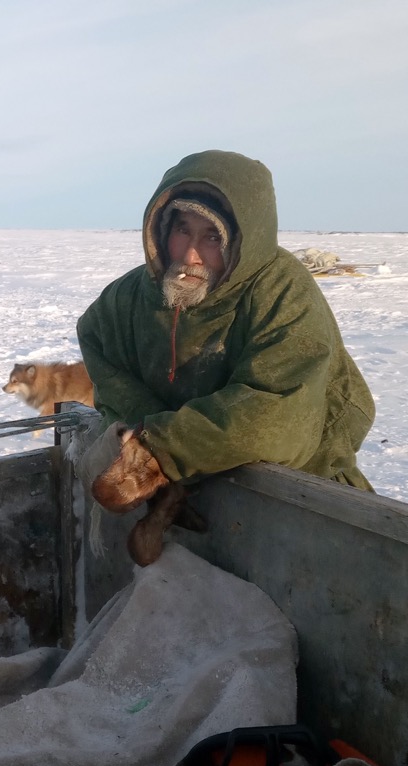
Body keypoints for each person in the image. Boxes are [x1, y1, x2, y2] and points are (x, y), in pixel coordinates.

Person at [77, 149, 375, 526]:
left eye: (212, 237)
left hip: (302, 498)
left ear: (242, 240)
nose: (190, 255)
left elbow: (277, 414)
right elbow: (102, 351)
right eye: (182, 229)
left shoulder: (281, 291)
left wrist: (160, 450)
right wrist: (144, 429)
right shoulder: (131, 297)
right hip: (181, 488)